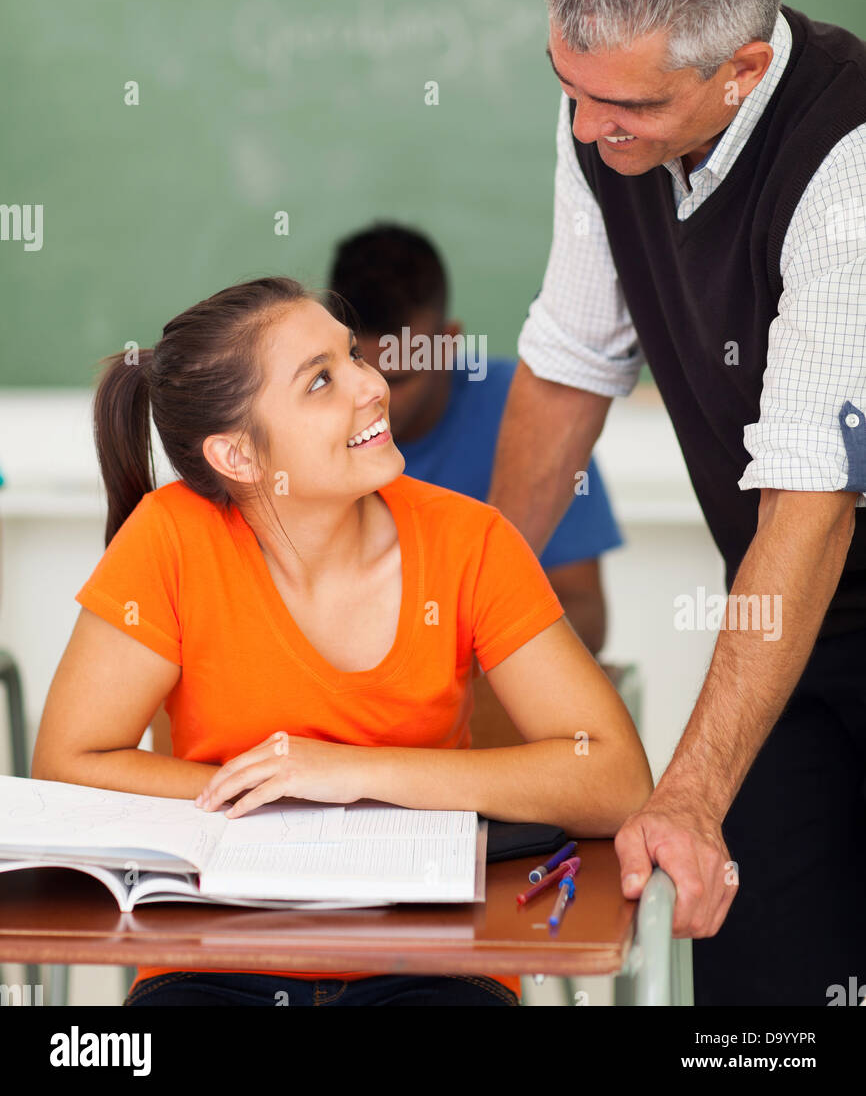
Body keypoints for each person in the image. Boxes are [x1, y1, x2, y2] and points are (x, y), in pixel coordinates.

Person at [31, 276, 652, 1007]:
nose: (370, 385)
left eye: (352, 356)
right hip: (211, 958)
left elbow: (614, 781)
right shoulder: (170, 538)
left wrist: (351, 772)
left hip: (432, 962)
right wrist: (279, 792)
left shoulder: (471, 541)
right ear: (238, 457)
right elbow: (66, 767)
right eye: (321, 380)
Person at [488, 0, 866, 1007]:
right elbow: (566, 366)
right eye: (573, 88)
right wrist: (449, 615)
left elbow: (808, 498)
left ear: (741, 68)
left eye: (632, 105)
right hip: (785, 637)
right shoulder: (605, 120)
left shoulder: (845, 167)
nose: (595, 129)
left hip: (805, 562)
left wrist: (689, 792)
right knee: (760, 992)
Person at [327, 220, 624, 659]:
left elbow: (584, 613)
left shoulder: (532, 414)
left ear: (447, 345)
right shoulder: (296, 424)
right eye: (353, 371)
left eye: (399, 378)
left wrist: (447, 661)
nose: (373, 398)